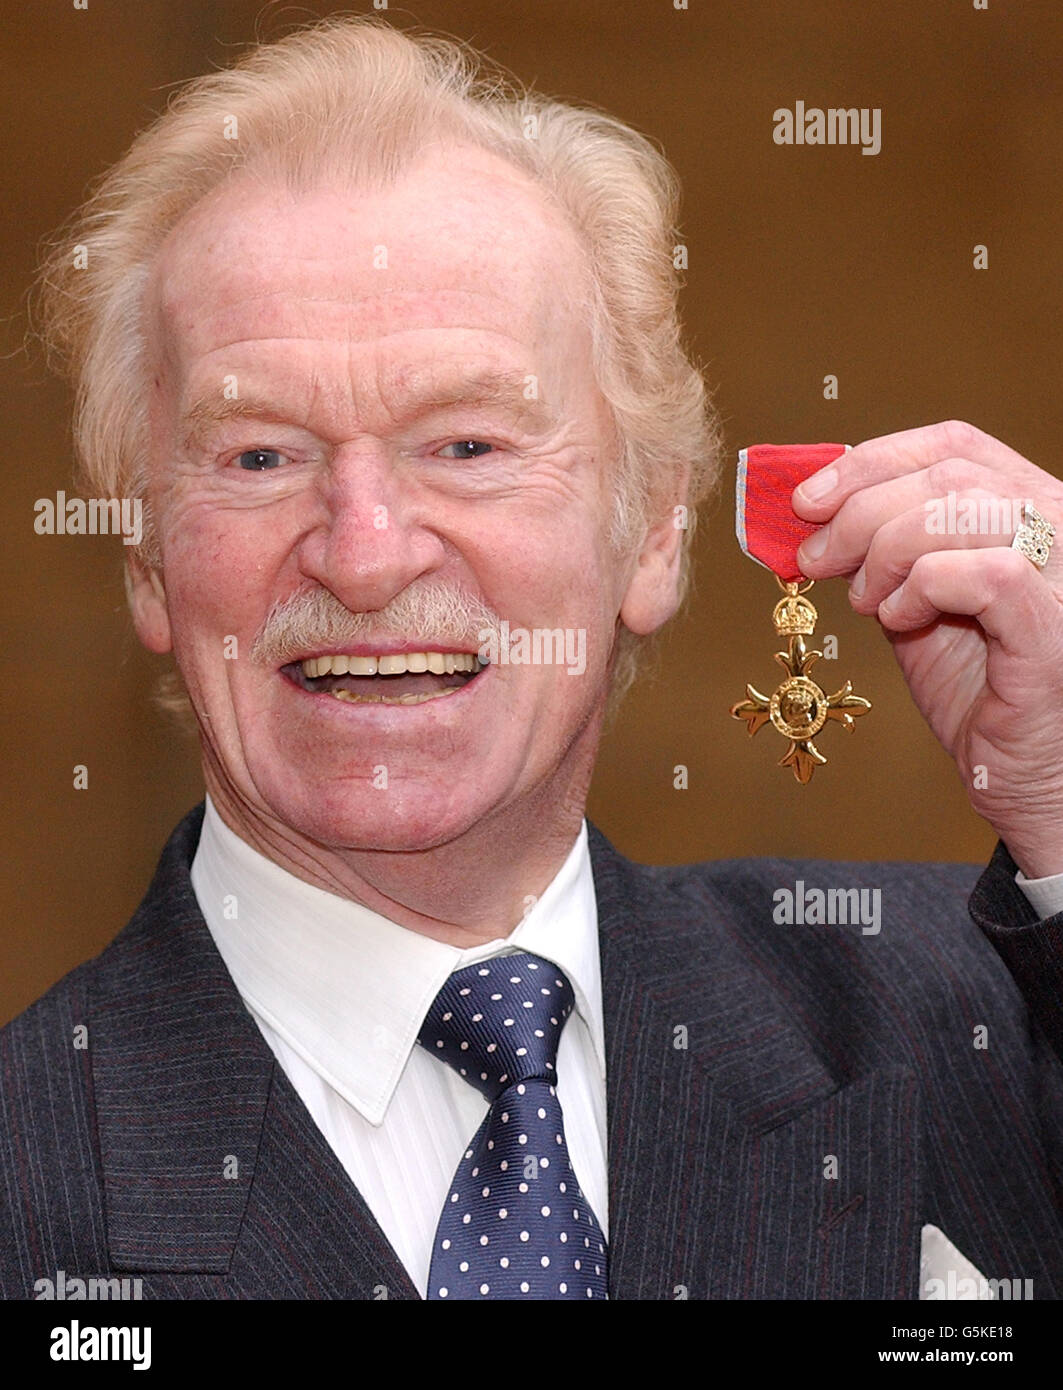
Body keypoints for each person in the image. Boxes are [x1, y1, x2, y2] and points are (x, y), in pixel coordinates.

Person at [3, 14, 1063, 1302]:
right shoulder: (29, 1177)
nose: (366, 553)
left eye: (468, 445)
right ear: (147, 565)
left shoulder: (968, 1018)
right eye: (260, 457)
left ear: (655, 534)